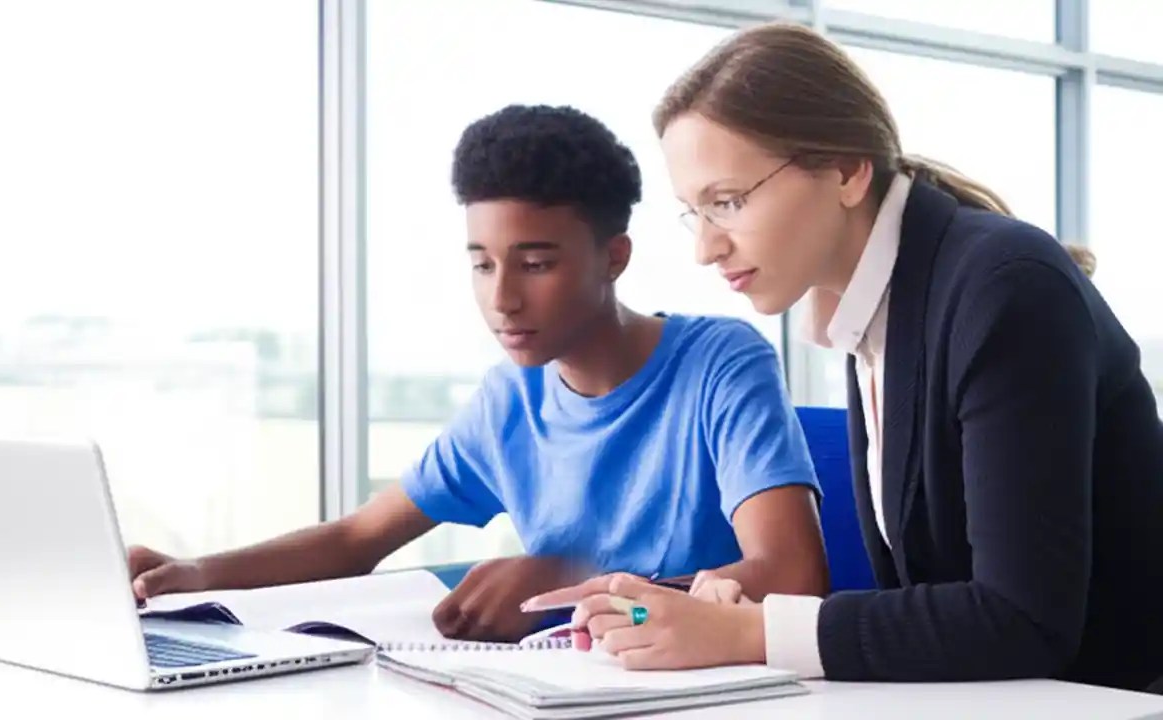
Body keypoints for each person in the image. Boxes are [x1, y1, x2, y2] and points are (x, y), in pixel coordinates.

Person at [525, 24, 1163, 692]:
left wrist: (752, 633)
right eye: (695, 212)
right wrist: (688, 605)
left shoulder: (1003, 289)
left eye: (729, 202)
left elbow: (1021, 619)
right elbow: (935, 601)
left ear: (847, 170)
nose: (706, 248)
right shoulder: (876, 310)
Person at [128, 104, 827, 643]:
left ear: (615, 257)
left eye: (535, 263)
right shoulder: (510, 401)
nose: (502, 298)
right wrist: (194, 576)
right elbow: (357, 539)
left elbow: (794, 574)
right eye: (482, 263)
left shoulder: (720, 365)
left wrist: (584, 583)